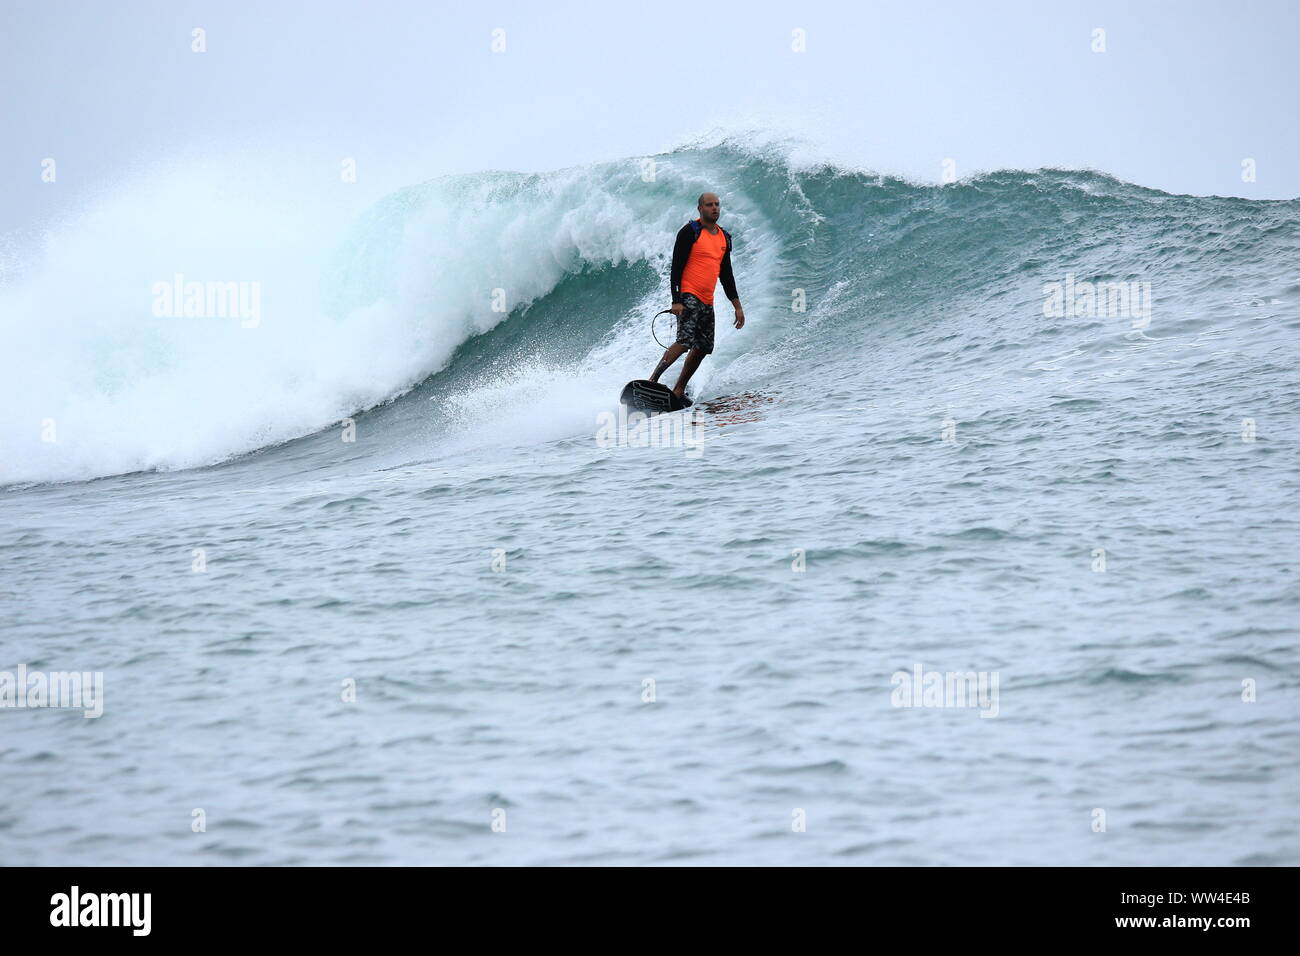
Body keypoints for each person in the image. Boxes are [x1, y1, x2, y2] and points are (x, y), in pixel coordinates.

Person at [648, 192, 744, 401]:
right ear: (700, 208)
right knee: (684, 341)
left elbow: (726, 275)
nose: (714, 208)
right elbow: (677, 267)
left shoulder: (724, 238)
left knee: (702, 347)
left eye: (717, 204)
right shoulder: (690, 232)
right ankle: (652, 381)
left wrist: (737, 306)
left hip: (707, 300)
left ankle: (678, 390)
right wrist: (676, 299)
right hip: (689, 294)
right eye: (709, 205)